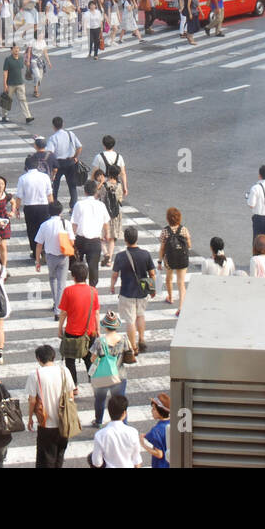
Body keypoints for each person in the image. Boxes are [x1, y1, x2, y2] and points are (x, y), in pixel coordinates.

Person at [26, 343, 77, 468]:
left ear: (38, 358)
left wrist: (30, 418)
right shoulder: (64, 371)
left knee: (45, 458)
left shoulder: (36, 374)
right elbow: (71, 395)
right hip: (64, 421)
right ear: (53, 357)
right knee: (60, 454)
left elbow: (32, 400)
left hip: (46, 423)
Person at [111, 226, 156, 359]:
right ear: (137, 238)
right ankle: (141, 339)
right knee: (140, 316)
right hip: (142, 291)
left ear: (125, 240)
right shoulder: (145, 254)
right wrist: (152, 288)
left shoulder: (120, 256)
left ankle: (133, 347)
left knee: (130, 320)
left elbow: (115, 274)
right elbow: (152, 274)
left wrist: (112, 286)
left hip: (127, 292)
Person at [88, 312, 129, 426]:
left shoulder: (100, 341)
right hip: (119, 375)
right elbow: (127, 354)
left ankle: (98, 421)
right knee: (120, 402)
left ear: (105, 326)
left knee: (100, 399)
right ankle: (123, 423)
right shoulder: (123, 339)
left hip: (102, 375)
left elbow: (92, 358)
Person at [70, 182, 110, 287]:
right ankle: (92, 289)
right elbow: (106, 223)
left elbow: (74, 224)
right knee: (93, 267)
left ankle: (79, 285)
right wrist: (107, 234)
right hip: (95, 241)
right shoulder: (101, 205)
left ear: (85, 191)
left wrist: (72, 238)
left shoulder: (79, 205)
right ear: (96, 191)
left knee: (78, 266)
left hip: (80, 239)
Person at [89, 393, 141, 468]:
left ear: (109, 412)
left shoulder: (100, 435)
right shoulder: (133, 432)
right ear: (124, 413)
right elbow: (136, 460)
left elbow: (97, 463)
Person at [17, 161, 54, 260]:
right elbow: (49, 194)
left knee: (32, 230)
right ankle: (45, 250)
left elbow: (19, 196)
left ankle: (35, 252)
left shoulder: (23, 178)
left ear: (26, 167)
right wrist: (53, 208)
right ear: (37, 166)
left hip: (30, 207)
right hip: (44, 207)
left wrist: (17, 209)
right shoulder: (45, 177)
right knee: (45, 229)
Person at [48, 116, 83, 208]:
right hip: (70, 162)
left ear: (53, 126)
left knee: (55, 186)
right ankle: (73, 206)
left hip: (58, 163)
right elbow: (79, 147)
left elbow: (50, 153)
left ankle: (54, 206)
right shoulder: (70, 134)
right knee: (72, 186)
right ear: (63, 124)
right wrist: (75, 157)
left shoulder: (53, 138)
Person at [0, 45, 34, 124]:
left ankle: (28, 117)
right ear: (11, 50)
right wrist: (5, 84)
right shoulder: (8, 60)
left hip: (20, 83)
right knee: (6, 100)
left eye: (18, 48)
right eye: (15, 48)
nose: (17, 50)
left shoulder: (21, 58)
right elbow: (5, 72)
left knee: (23, 100)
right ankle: (4, 116)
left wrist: (28, 64)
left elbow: (23, 66)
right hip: (10, 84)